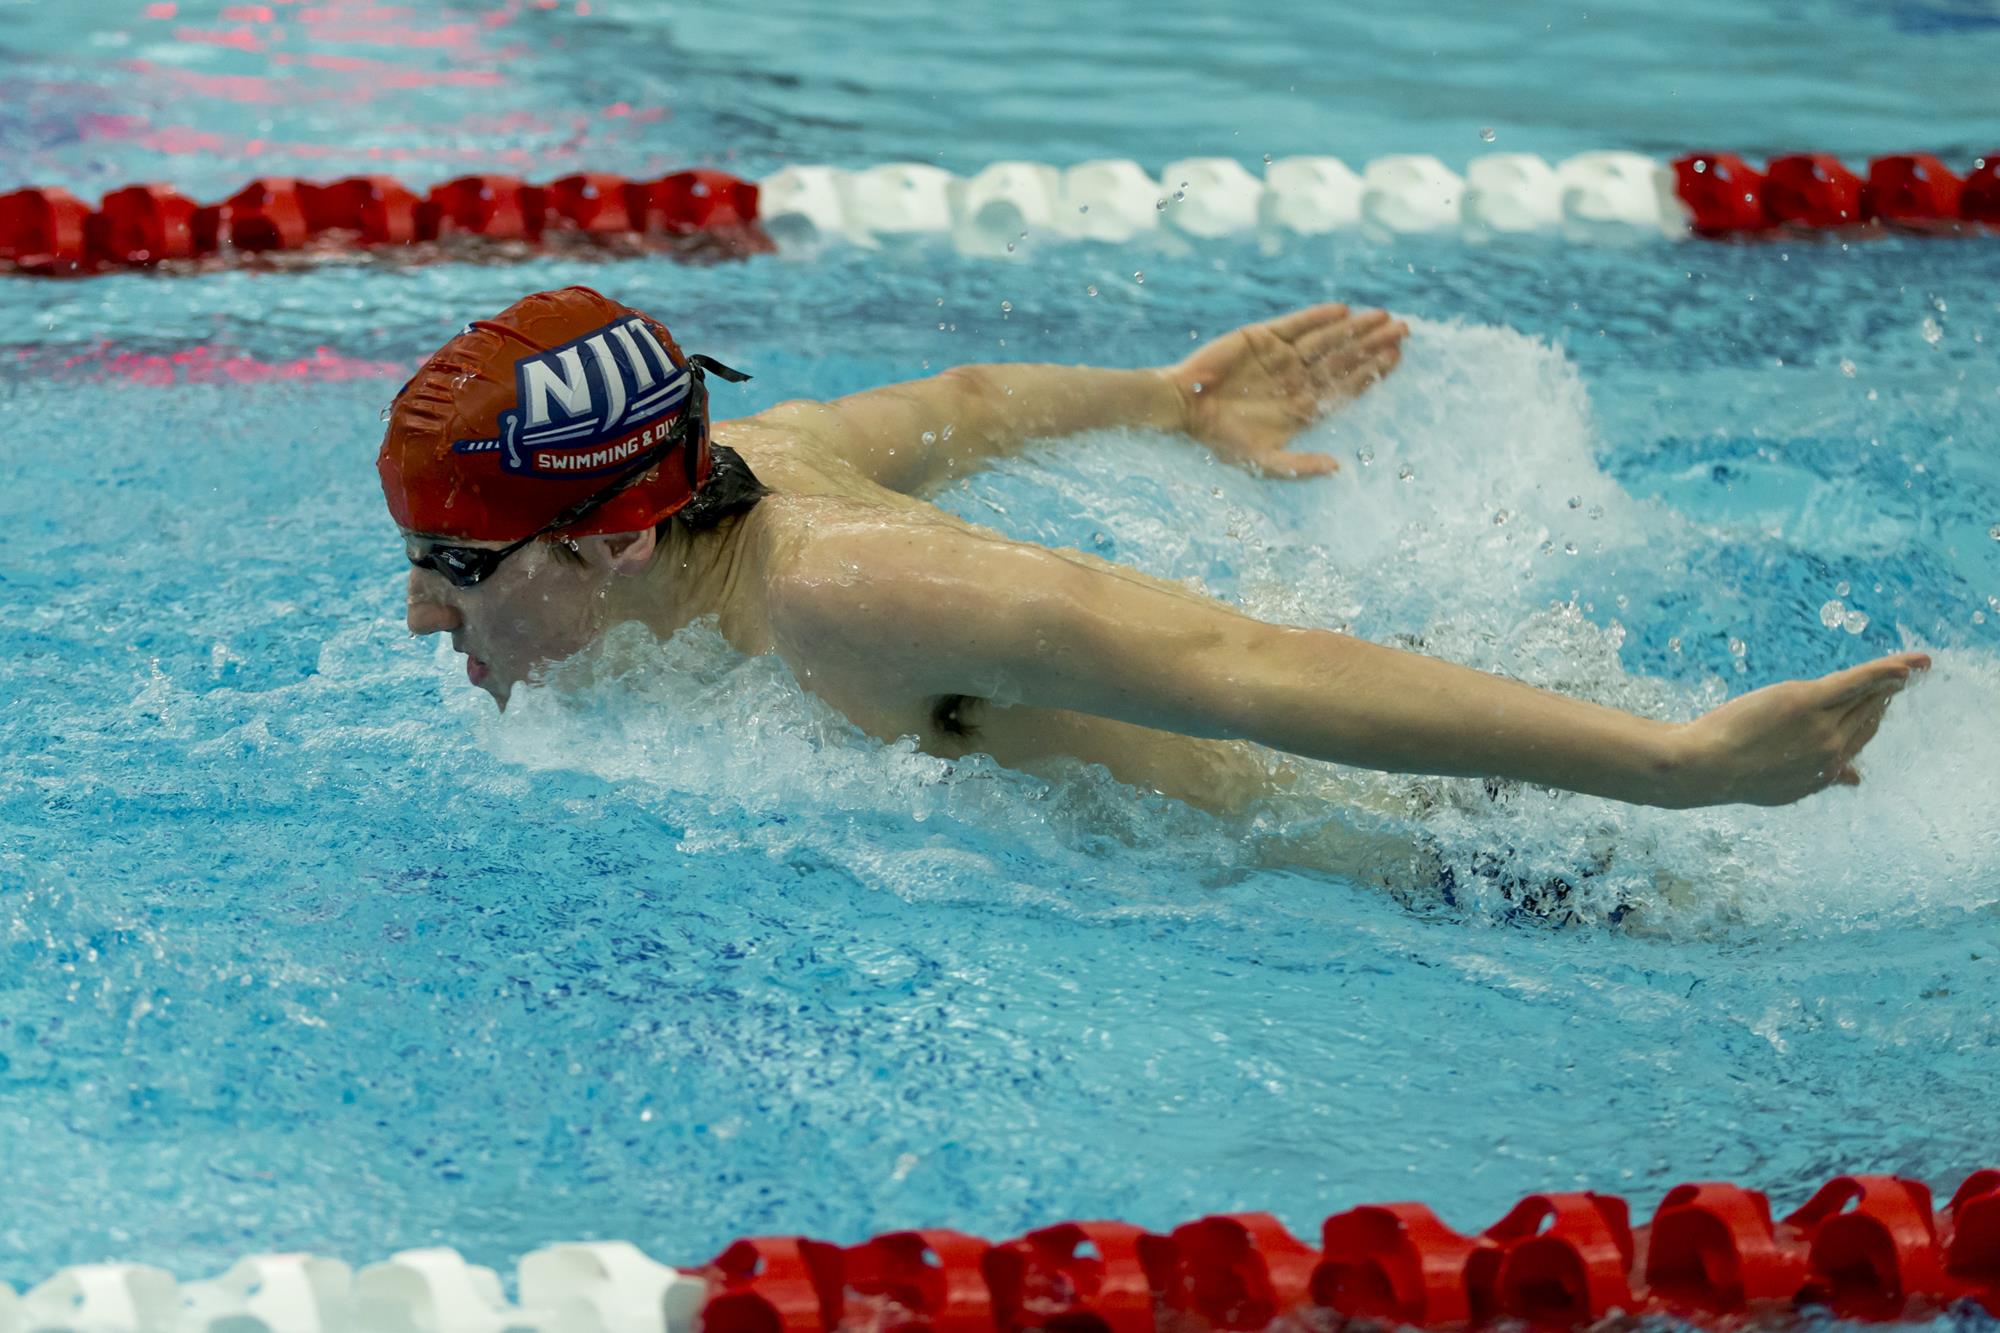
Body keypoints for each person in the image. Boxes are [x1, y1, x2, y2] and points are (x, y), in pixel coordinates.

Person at [385, 286, 1927, 828]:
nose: (416, 611)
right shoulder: (753, 464)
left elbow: (1240, 668)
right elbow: (966, 405)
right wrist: (1171, 404)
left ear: (620, 536)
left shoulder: (851, 593)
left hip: (1477, 865)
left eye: (458, 563)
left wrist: (1675, 767)